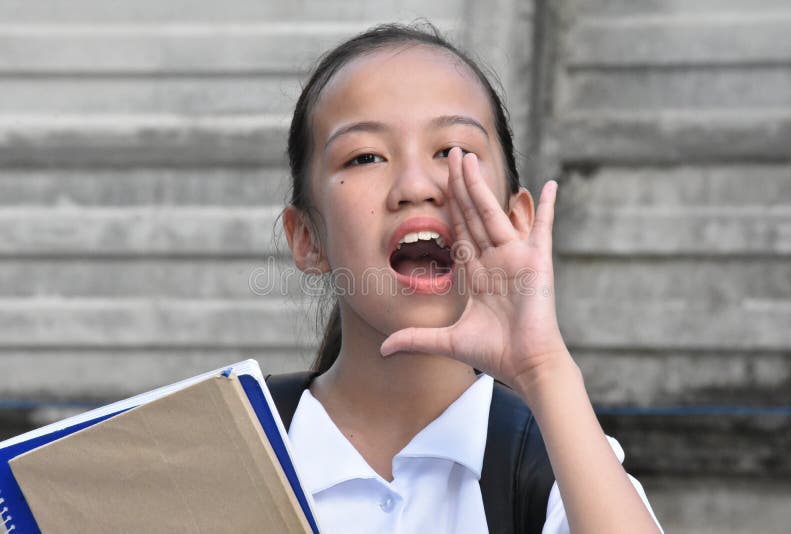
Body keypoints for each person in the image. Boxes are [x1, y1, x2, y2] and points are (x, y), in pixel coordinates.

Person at [277, 23, 663, 533]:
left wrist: (543, 368)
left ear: (516, 218)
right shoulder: (225, 444)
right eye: (365, 156)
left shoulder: (557, 470)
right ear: (306, 238)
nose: (415, 186)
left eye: (453, 151)